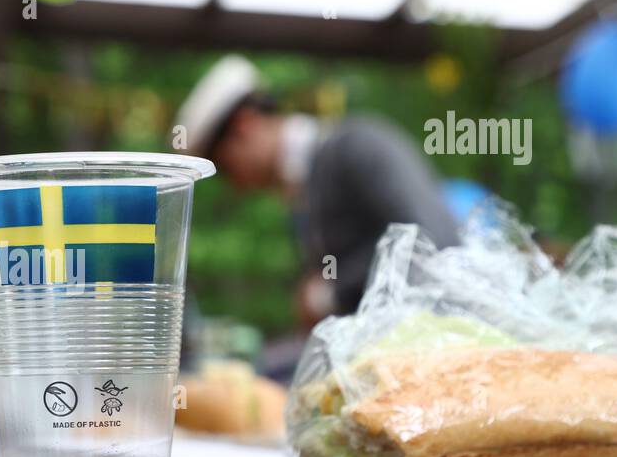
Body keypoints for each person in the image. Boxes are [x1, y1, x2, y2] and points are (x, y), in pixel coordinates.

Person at [176, 57, 460, 322]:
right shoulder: (304, 191)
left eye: (226, 168)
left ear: (244, 126)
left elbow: (432, 240)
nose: (234, 185)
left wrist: (329, 295)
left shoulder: (359, 146)